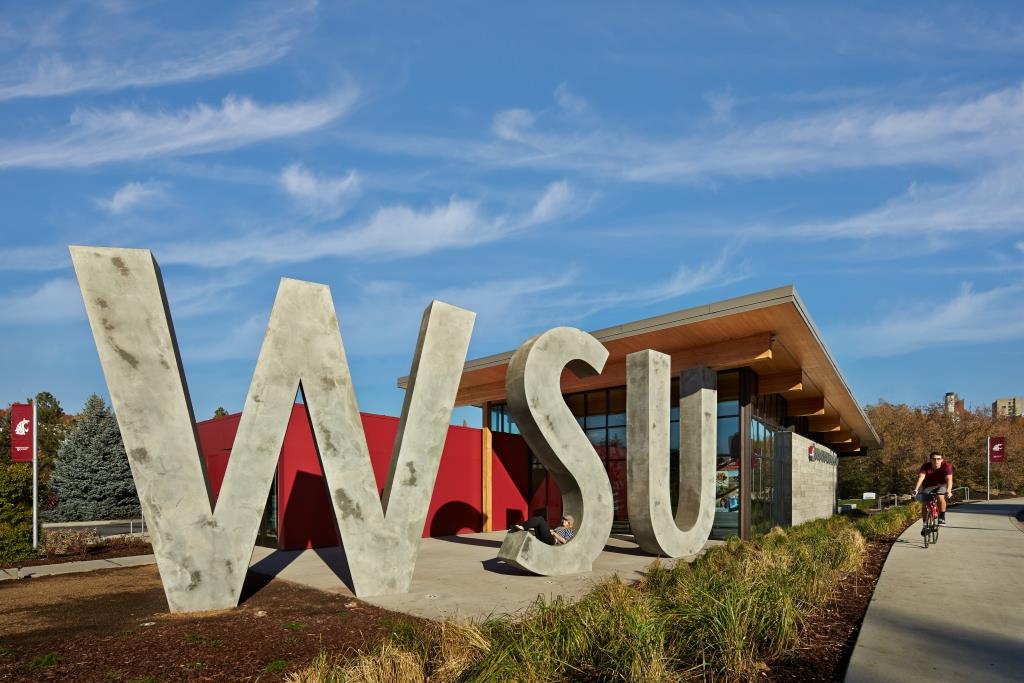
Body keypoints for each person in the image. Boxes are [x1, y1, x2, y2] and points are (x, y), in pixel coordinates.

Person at [913, 451, 953, 526]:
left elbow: (949, 480)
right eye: (934, 459)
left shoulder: (946, 466)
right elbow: (921, 477)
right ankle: (925, 523)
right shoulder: (925, 466)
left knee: (940, 497)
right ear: (930, 460)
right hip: (928, 486)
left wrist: (949, 491)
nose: (936, 461)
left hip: (941, 485)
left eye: (938, 459)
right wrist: (916, 489)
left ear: (942, 460)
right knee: (925, 504)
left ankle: (942, 517)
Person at [509, 514, 575, 545]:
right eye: (563, 519)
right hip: (547, 537)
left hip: (552, 540)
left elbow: (565, 541)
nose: (563, 521)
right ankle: (521, 527)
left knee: (540, 519)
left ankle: (522, 527)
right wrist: (551, 531)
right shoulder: (560, 527)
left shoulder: (570, 530)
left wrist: (554, 533)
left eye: (565, 520)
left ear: (569, 522)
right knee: (536, 521)